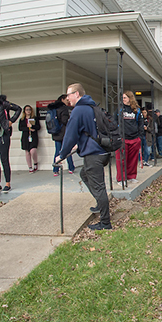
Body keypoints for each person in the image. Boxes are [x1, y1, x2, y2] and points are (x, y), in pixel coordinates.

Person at [56, 83, 112, 230]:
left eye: (69, 95)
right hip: (103, 151)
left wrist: (61, 155)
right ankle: (101, 205)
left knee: (99, 188)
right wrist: (79, 145)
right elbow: (89, 131)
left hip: (94, 154)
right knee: (84, 174)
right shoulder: (93, 107)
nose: (67, 98)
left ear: (77, 94)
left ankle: (105, 223)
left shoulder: (78, 110)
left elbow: (70, 135)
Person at [116, 91, 144, 183]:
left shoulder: (137, 110)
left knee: (133, 159)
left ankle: (131, 176)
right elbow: (114, 121)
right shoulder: (120, 109)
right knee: (121, 159)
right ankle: (121, 178)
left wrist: (140, 136)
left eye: (125, 97)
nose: (123, 99)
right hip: (123, 138)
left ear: (130, 98)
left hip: (134, 138)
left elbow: (140, 123)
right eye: (123, 98)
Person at [47, 94, 74, 177]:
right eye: (66, 100)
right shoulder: (63, 108)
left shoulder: (53, 108)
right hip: (63, 133)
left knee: (57, 151)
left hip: (55, 132)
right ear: (62, 99)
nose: (68, 102)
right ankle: (71, 168)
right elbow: (65, 121)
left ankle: (55, 169)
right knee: (67, 150)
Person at [18, 105, 41, 173]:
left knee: (33, 151)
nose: (28, 111)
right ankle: (30, 167)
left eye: (29, 109)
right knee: (27, 152)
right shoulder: (22, 120)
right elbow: (20, 128)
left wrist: (32, 127)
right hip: (25, 137)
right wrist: (27, 128)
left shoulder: (34, 118)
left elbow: (38, 127)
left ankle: (35, 163)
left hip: (33, 136)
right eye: (27, 109)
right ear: (24, 111)